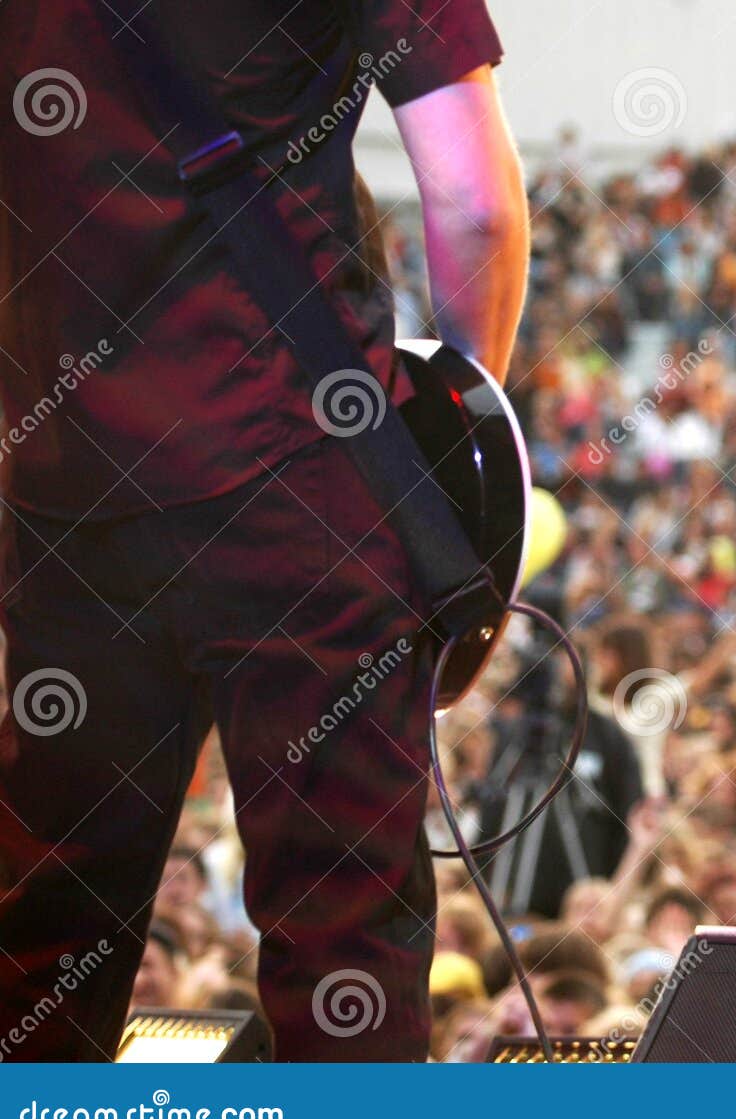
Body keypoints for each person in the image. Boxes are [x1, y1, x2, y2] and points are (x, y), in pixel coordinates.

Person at [0, 0, 528, 1060]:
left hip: (68, 507)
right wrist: (456, 423)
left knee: (39, 964)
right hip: (302, 484)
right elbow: (474, 203)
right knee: (344, 962)